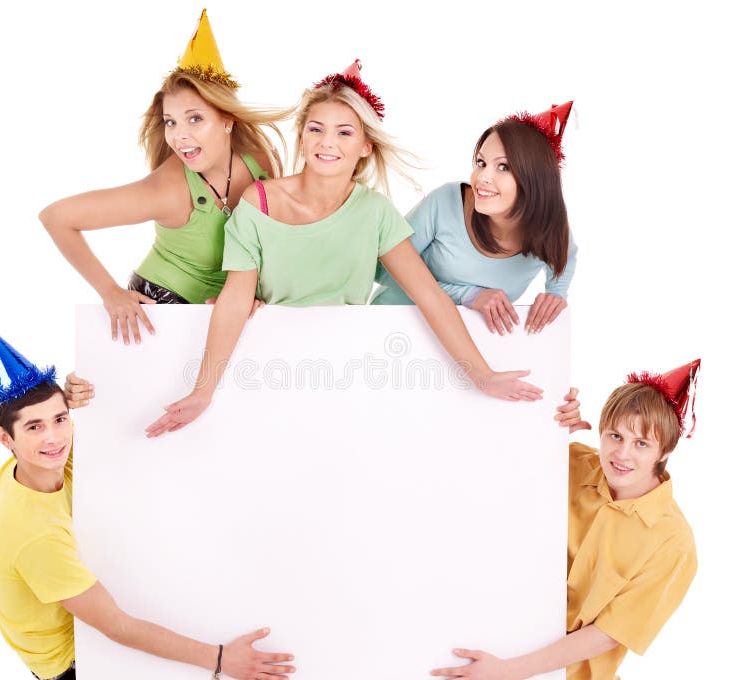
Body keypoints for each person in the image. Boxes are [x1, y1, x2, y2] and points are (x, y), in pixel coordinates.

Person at [145, 60, 546, 437]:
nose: (327, 143)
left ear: (366, 145)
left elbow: (429, 295)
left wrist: (481, 375)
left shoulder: (374, 212)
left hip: (344, 368)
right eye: (316, 129)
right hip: (266, 365)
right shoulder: (258, 202)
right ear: (302, 135)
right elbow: (235, 298)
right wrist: (203, 391)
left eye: (344, 132)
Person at [0, 312, 295, 680]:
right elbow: (118, 626)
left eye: (59, 419)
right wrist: (221, 658)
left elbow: (82, 422)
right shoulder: (35, 535)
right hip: (67, 661)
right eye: (34, 427)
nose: (54, 437)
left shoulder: (33, 463)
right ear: (5, 439)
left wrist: (76, 390)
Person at [427, 359, 699, 680]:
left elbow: (609, 633)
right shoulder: (572, 462)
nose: (622, 454)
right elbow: (492, 479)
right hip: (493, 632)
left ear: (666, 451)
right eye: (615, 435)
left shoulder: (674, 543)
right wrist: (548, 430)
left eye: (641, 443)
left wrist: (506, 673)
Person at [39, 9, 285, 345]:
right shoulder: (168, 189)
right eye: (171, 122)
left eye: (195, 119)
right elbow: (56, 217)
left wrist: (251, 292)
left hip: (226, 312)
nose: (179, 136)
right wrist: (110, 292)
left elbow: (273, 240)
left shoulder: (262, 161)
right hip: (161, 307)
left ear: (227, 120)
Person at [373, 102, 577, 336]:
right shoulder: (445, 203)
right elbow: (382, 271)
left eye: (503, 167)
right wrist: (467, 294)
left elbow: (567, 255)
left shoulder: (550, 230)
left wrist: (556, 293)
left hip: (470, 343)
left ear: (536, 180)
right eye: (481, 163)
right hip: (393, 327)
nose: (482, 177)